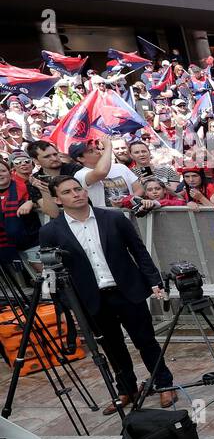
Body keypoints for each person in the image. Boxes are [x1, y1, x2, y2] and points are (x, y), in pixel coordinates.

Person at [39, 176, 176, 412]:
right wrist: (60, 305)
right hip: (91, 298)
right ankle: (126, 390)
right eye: (68, 192)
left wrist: (154, 280)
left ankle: (164, 385)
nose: (76, 194)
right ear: (56, 199)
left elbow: (139, 251)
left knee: (146, 341)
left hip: (127, 291)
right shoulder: (51, 231)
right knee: (112, 348)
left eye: (78, 189)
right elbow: (50, 271)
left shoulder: (113, 218)